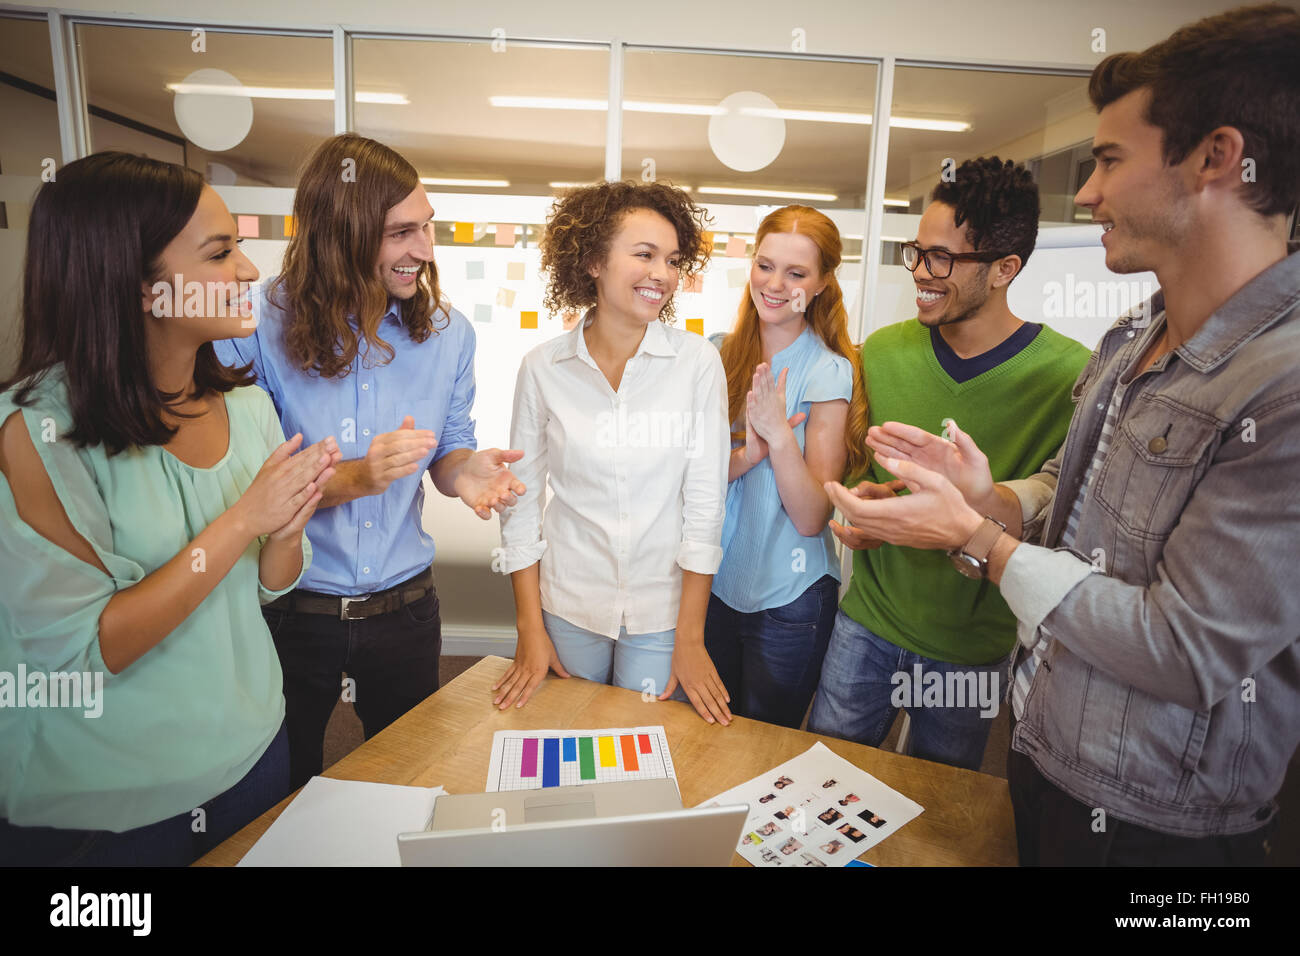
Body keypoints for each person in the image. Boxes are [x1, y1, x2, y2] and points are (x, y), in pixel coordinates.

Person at [828, 3, 1300, 865]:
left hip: (1161, 828)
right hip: (1048, 756)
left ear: (1217, 159)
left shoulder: (1285, 384)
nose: (1085, 192)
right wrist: (994, 497)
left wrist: (979, 541)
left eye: (1111, 160)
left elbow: (1188, 647)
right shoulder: (1131, 341)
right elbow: (1064, 486)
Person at [0, 152, 334, 865]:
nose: (249, 270)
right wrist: (244, 517)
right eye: (221, 252)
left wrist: (287, 527)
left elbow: (269, 585)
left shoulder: (246, 409)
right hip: (111, 808)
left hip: (252, 756)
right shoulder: (36, 436)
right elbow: (88, 653)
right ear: (136, 284)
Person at [214, 134, 523, 791]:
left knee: (407, 785)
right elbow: (239, 489)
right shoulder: (259, 324)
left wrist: (466, 473)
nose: (425, 249)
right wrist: (358, 475)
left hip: (404, 614)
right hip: (287, 614)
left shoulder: (449, 335)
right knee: (276, 792)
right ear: (343, 235)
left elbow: (447, 448)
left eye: (428, 227)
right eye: (401, 232)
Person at [806, 157, 1089, 771]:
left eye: (942, 260)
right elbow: (861, 465)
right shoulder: (881, 352)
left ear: (1004, 269)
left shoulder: (1070, 379)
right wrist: (869, 508)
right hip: (867, 624)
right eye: (917, 252)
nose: (920, 274)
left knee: (942, 813)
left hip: (975, 646)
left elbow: (1060, 516)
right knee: (823, 781)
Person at [492, 181, 732, 724]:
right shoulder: (542, 368)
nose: (662, 274)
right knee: (563, 747)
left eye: (672, 260)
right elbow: (521, 506)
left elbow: (704, 506)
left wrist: (691, 638)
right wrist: (530, 630)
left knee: (641, 753)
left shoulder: (696, 364)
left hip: (660, 612)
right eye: (644, 255)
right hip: (567, 603)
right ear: (594, 261)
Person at [704, 206, 867, 728]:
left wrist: (777, 437)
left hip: (789, 602)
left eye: (796, 273)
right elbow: (694, 478)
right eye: (765, 265)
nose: (775, 285)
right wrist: (747, 454)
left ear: (820, 284)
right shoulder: (716, 355)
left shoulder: (828, 370)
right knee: (703, 735)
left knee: (766, 749)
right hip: (710, 585)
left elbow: (812, 517)